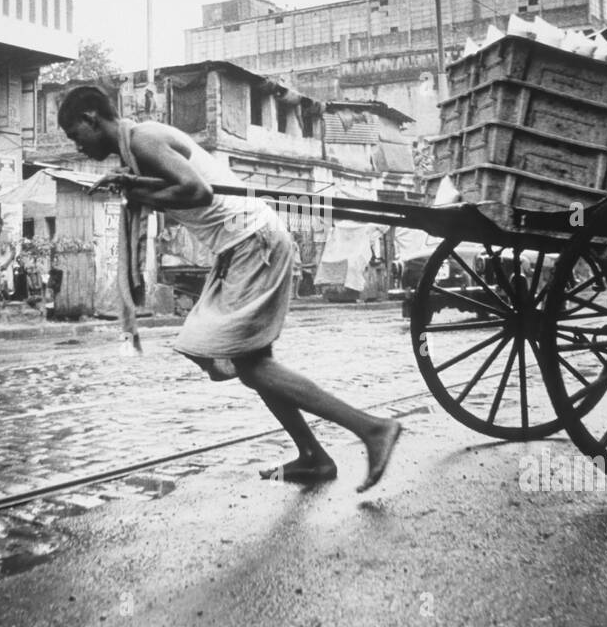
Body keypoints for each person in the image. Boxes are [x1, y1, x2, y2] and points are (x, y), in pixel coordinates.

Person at [59, 86, 401, 492]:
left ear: (92, 117)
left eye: (74, 134)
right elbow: (180, 189)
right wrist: (134, 184)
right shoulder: (138, 145)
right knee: (253, 366)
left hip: (252, 242)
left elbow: (197, 191)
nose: (77, 146)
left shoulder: (142, 139)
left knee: (251, 364)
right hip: (242, 244)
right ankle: (314, 456)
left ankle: (373, 429)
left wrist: (136, 189)